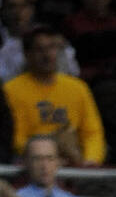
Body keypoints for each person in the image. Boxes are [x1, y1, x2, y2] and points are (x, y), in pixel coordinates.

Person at [3, 25, 106, 164]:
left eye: (52, 48)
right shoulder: (11, 90)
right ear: (27, 54)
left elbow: (93, 133)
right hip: (30, 162)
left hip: (75, 161)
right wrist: (52, 147)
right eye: (40, 49)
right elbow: (16, 139)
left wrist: (91, 160)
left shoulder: (78, 87)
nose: (47, 55)